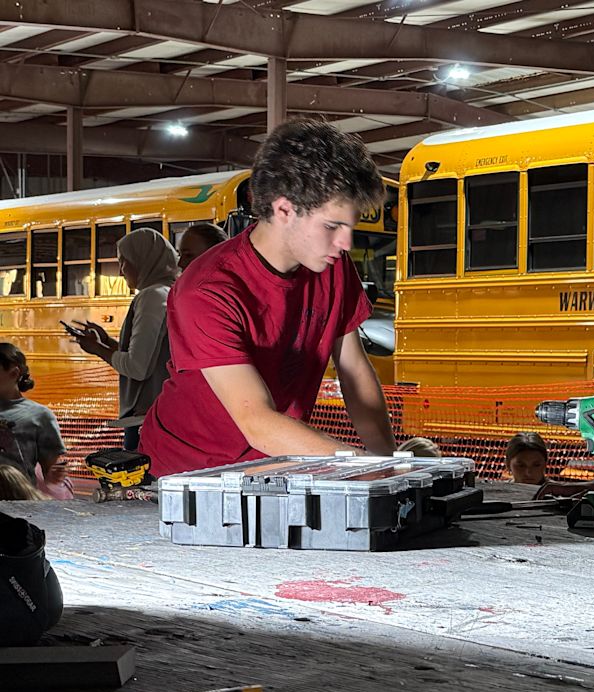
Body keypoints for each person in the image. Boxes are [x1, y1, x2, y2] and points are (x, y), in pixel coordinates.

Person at [139, 119, 396, 476]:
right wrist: (364, 466)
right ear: (284, 210)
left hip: (273, 462)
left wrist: (391, 464)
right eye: (332, 226)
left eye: (350, 227)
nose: (345, 243)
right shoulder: (208, 289)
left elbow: (353, 371)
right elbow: (256, 421)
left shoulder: (331, 265)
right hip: (190, 472)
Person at [73, 228, 178, 450]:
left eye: (124, 262)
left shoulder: (150, 297)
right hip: (165, 414)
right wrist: (107, 343)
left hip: (146, 421)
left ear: (142, 261)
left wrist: (98, 350)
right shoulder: (168, 291)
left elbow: (138, 367)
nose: (121, 272)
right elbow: (152, 354)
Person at [0, 343, 68, 495]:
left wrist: (54, 477)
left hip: (19, 501)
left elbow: (50, 473)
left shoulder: (40, 415)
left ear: (14, 373)